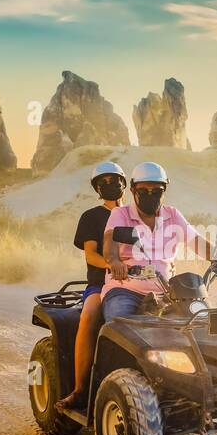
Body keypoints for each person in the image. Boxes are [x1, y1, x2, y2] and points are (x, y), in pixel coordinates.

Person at [102, 161, 213, 322]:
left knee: (200, 323)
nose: (150, 195)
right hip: (125, 290)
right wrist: (113, 260)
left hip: (167, 292)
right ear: (132, 190)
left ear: (164, 191)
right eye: (143, 191)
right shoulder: (120, 214)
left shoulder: (172, 214)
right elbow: (110, 239)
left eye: (156, 191)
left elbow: (196, 240)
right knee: (120, 323)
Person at [56, 162, 126, 411]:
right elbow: (90, 255)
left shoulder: (135, 215)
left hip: (138, 283)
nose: (110, 185)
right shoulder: (91, 217)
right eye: (104, 182)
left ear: (124, 183)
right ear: (97, 188)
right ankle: (80, 389)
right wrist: (112, 267)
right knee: (88, 315)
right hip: (101, 283)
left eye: (114, 180)